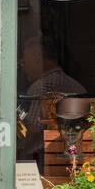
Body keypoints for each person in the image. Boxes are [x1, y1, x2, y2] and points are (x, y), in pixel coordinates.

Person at [19, 37, 86, 165]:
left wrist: (15, 149)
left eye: (24, 61)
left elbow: (33, 130)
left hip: (45, 161)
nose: (23, 66)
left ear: (37, 58)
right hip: (76, 159)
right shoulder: (75, 85)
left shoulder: (41, 87)